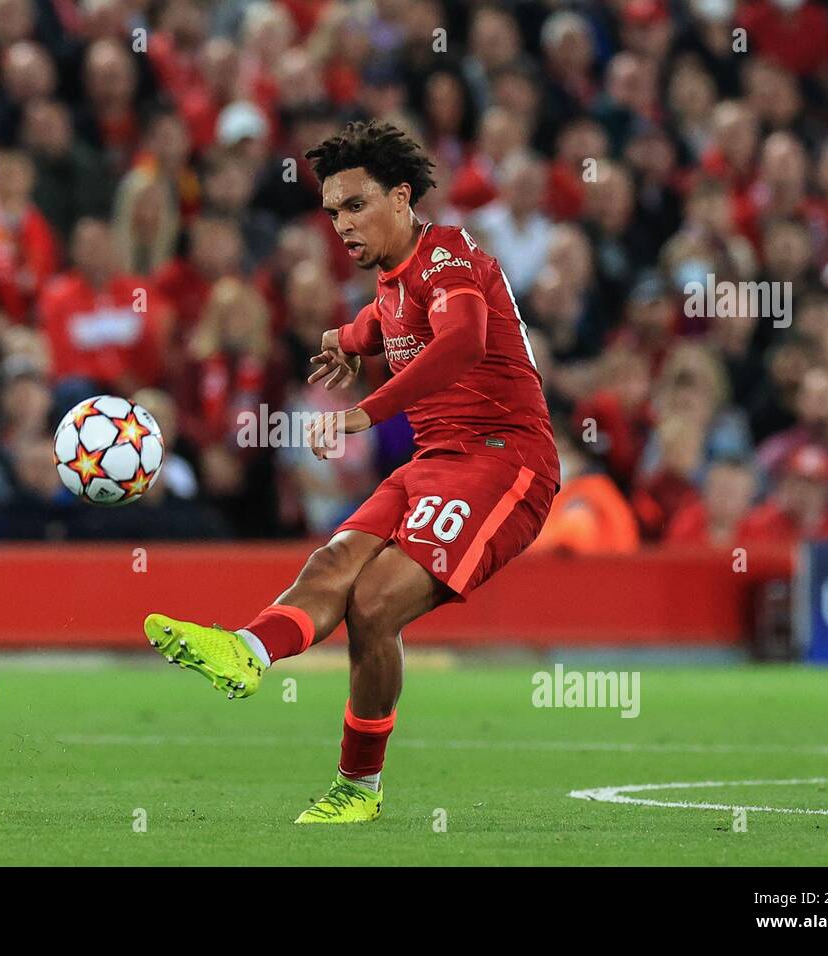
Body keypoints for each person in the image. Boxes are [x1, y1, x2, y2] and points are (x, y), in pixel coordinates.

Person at [142, 120, 558, 823]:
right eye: (332, 211)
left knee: (376, 603)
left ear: (402, 198)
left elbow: (462, 341)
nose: (341, 224)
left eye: (356, 206)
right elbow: (380, 323)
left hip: (502, 459)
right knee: (333, 563)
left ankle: (359, 787)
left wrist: (368, 410)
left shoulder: (448, 257)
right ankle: (246, 651)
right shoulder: (394, 284)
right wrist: (345, 339)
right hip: (437, 463)